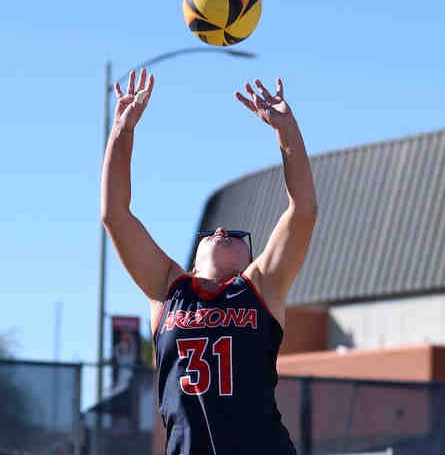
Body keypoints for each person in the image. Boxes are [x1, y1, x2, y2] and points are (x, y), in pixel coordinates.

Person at [100, 68, 317, 455]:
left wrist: (287, 130)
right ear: (194, 262)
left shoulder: (260, 287)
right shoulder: (169, 288)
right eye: (212, 233)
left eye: (235, 235)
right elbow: (114, 214)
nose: (220, 230)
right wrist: (122, 130)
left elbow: (303, 211)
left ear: (248, 261)